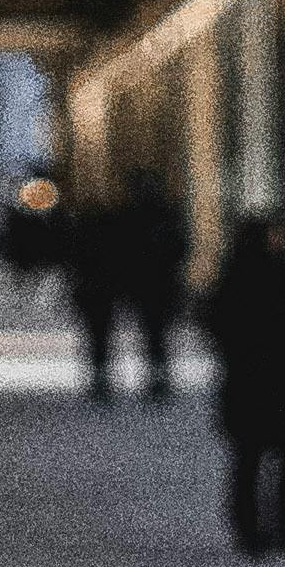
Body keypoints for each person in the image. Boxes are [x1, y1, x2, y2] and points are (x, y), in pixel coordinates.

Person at [197, 212, 285, 557]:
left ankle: (251, 531)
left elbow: (216, 324)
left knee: (249, 458)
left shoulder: (233, 279)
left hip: (247, 382)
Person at [117, 170, 190, 397]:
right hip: (157, 283)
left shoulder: (135, 216)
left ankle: (158, 378)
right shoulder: (164, 214)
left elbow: (125, 253)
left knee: (153, 333)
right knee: (156, 334)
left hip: (151, 283)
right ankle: (159, 378)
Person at [65, 196, 127, 396]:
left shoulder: (81, 238)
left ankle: (99, 377)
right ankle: (101, 376)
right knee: (103, 334)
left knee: (95, 335)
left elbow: (73, 264)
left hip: (92, 290)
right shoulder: (110, 242)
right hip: (102, 290)